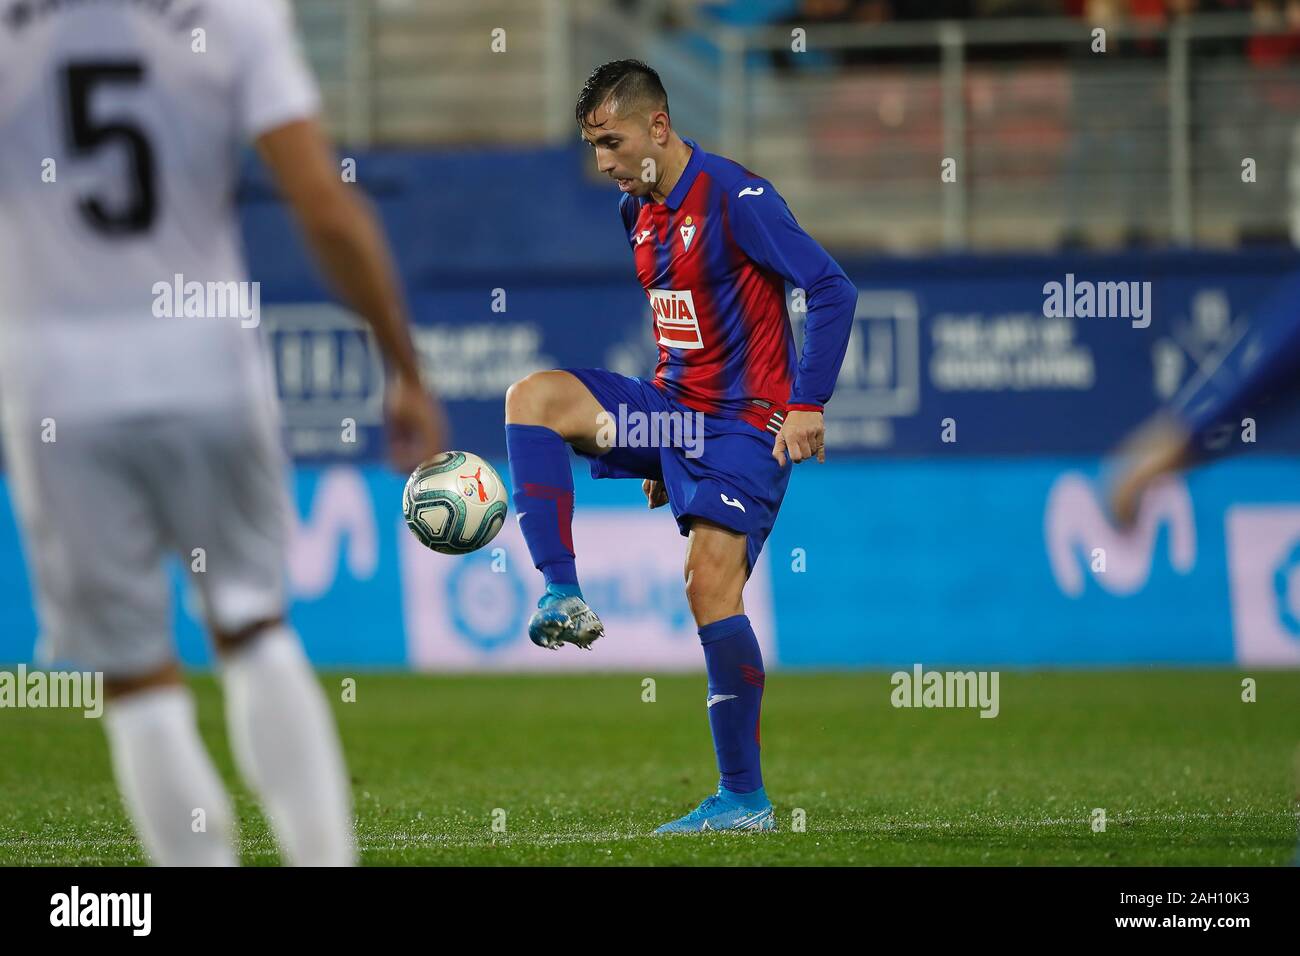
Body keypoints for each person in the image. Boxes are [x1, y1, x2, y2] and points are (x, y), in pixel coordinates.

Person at [0, 0, 445, 865]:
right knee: (252, 623)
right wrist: (406, 370)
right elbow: (323, 206)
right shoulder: (232, 10)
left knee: (133, 677)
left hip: (55, 387)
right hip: (208, 363)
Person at [504, 60, 857, 834]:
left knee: (707, 586)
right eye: (593, 146)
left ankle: (743, 800)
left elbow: (830, 288)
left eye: (612, 141)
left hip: (746, 423)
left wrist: (808, 403)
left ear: (658, 127)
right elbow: (681, 327)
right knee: (532, 400)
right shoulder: (636, 211)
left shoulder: (738, 197)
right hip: (675, 415)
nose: (604, 163)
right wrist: (663, 453)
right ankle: (561, 592)